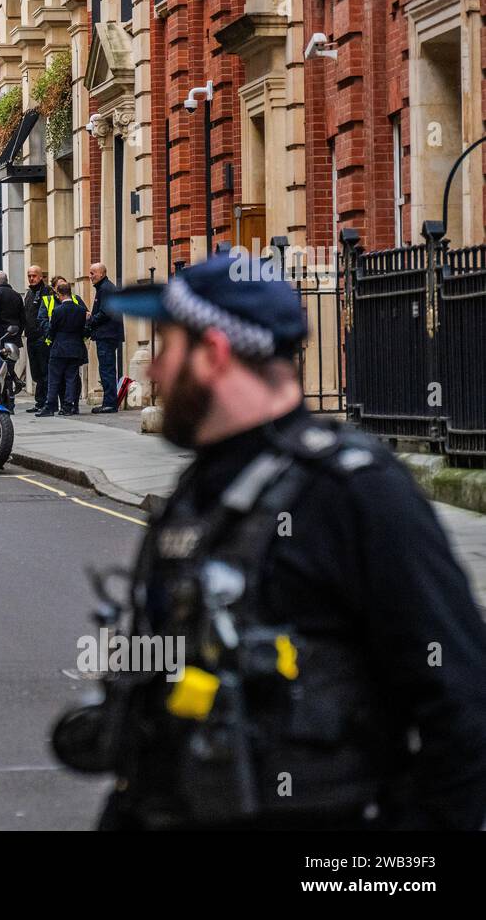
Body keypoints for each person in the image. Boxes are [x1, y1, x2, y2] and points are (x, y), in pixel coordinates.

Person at [53, 253, 486, 830]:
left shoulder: (354, 493)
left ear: (215, 352)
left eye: (168, 348)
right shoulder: (200, 489)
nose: (154, 372)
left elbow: (462, 711)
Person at [36, 278, 88, 417]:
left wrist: (51, 339)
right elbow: (85, 329)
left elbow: (52, 329)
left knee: (54, 378)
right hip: (75, 348)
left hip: (59, 348)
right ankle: (68, 406)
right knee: (71, 378)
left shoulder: (57, 311)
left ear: (59, 294)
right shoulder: (81, 310)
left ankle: (50, 406)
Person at [85, 261, 124, 413]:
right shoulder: (104, 288)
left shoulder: (106, 289)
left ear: (102, 273)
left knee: (107, 369)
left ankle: (110, 403)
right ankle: (109, 402)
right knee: (106, 368)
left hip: (107, 335)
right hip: (107, 334)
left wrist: (90, 319)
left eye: (93, 273)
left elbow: (105, 313)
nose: (90, 276)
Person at [21, 266, 53, 413]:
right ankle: (39, 401)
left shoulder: (47, 292)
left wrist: (45, 333)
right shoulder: (29, 294)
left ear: (41, 277)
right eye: (29, 276)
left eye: (34, 276)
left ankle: (47, 401)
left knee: (44, 371)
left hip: (42, 338)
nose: (31, 278)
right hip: (31, 338)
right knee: (36, 372)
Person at [0, 269, 25, 352]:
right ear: (6, 281)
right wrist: (18, 333)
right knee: (11, 362)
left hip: (0, 338)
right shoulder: (16, 295)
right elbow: (23, 318)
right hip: (14, 336)